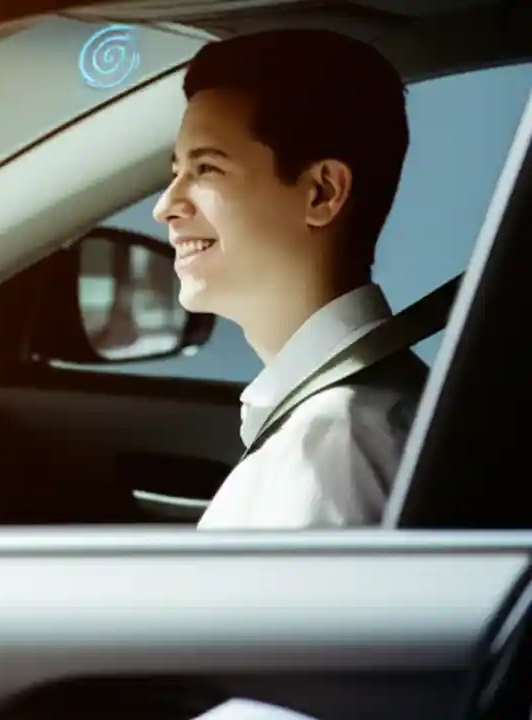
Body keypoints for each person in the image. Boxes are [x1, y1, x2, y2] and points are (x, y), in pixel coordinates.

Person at [152, 29, 427, 529]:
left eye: (206, 169)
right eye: (176, 172)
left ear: (321, 192)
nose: (165, 206)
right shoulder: (345, 422)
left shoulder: (331, 445)